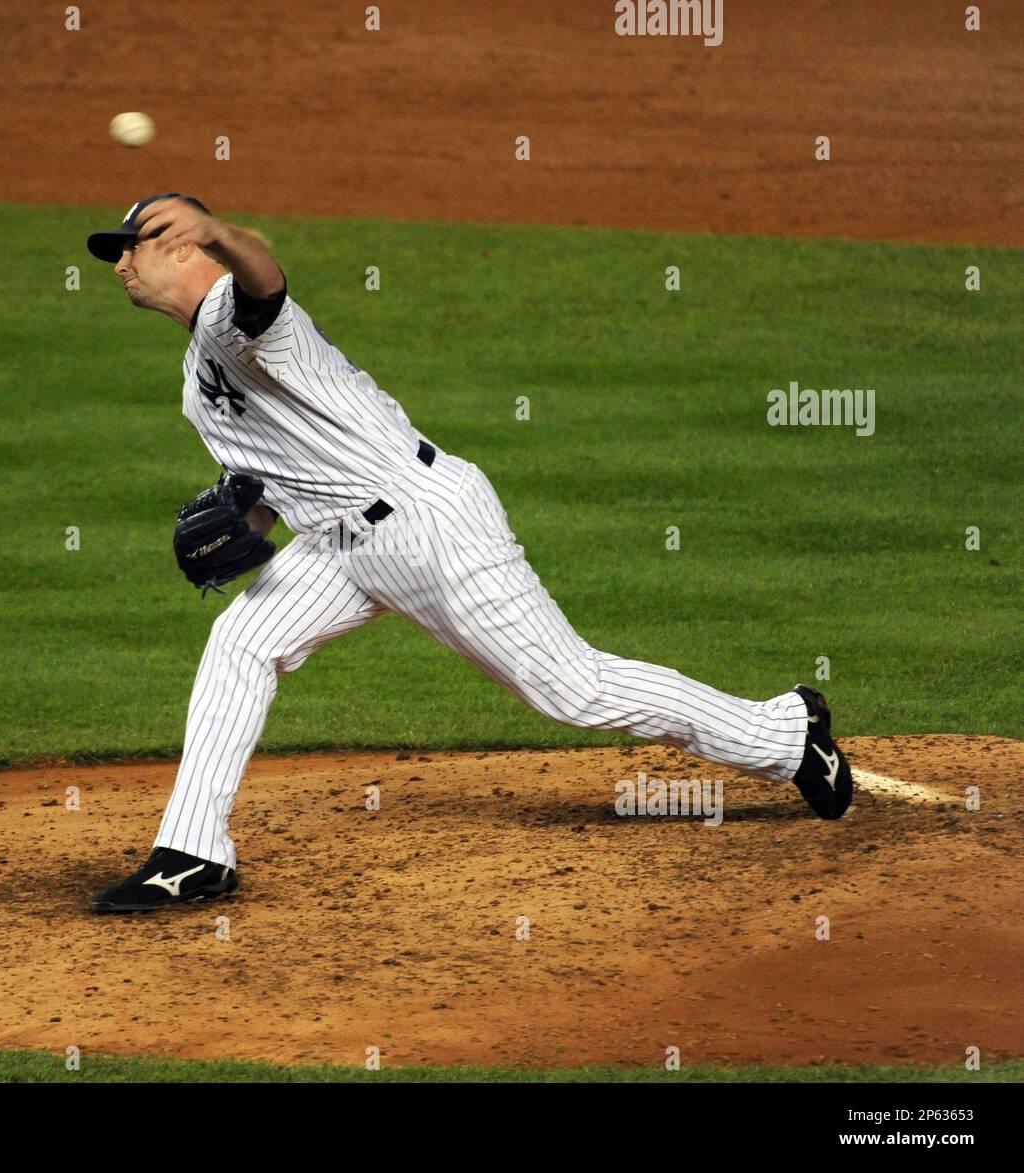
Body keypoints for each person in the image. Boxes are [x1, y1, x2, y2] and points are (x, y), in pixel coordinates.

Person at [83, 193, 853, 913]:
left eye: (132, 249)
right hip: (338, 545)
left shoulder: (232, 313)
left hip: (429, 522)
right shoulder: (196, 380)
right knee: (241, 641)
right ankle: (193, 852)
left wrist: (219, 232)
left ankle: (787, 734)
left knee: (571, 689)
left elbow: (265, 280)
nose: (120, 265)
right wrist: (242, 520)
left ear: (183, 250)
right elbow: (270, 480)